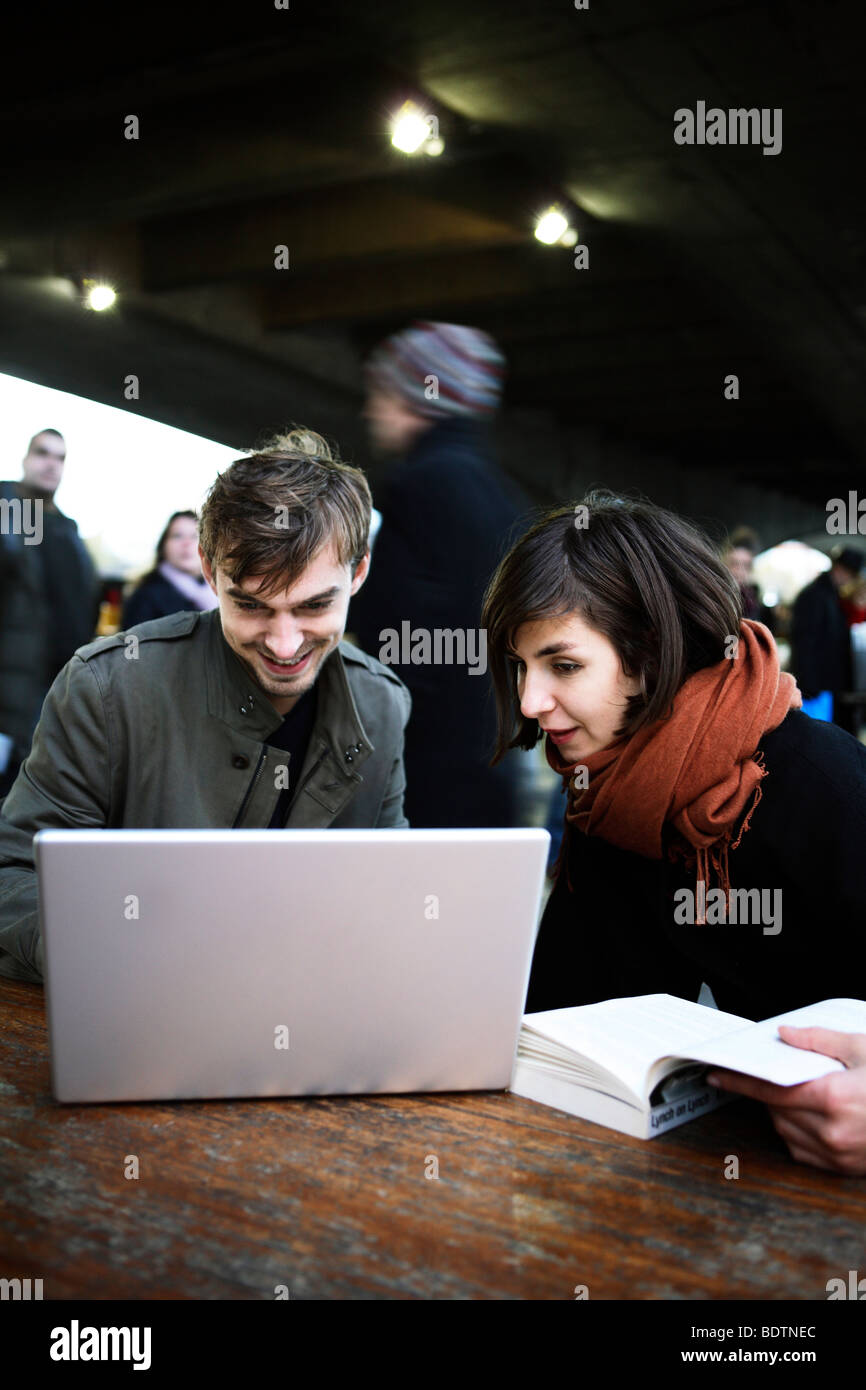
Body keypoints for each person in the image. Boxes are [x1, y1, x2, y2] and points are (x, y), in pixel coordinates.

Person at [481, 492, 866, 1174]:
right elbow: (566, 1023)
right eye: (520, 666)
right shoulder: (608, 796)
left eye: (563, 666)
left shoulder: (829, 785)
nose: (531, 704)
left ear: (654, 651)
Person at [0, 427, 411, 984]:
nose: (285, 645)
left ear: (358, 572)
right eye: (251, 605)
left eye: (315, 606)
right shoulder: (104, 689)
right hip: (135, 1020)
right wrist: (126, 951)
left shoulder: (383, 706)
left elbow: (391, 891)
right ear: (207, 567)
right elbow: (15, 875)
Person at [351, 320, 527, 828]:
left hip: (424, 775)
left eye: (380, 393)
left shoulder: (420, 487)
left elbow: (394, 639)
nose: (370, 409)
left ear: (420, 397)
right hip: (490, 767)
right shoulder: (500, 496)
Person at [0, 428, 99, 800]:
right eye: (42, 453)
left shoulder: (66, 529)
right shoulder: (9, 510)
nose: (50, 464)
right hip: (8, 696)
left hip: (52, 694)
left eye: (60, 457)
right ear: (25, 458)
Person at [790, 545, 864, 735]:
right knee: (816, 736)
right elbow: (806, 642)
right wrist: (809, 685)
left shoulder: (827, 594)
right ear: (841, 570)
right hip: (816, 687)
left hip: (824, 686)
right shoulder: (817, 596)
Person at [122, 510, 219, 626]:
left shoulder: (220, 590)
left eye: (194, 536)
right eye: (177, 536)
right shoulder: (146, 595)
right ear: (163, 546)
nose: (186, 543)